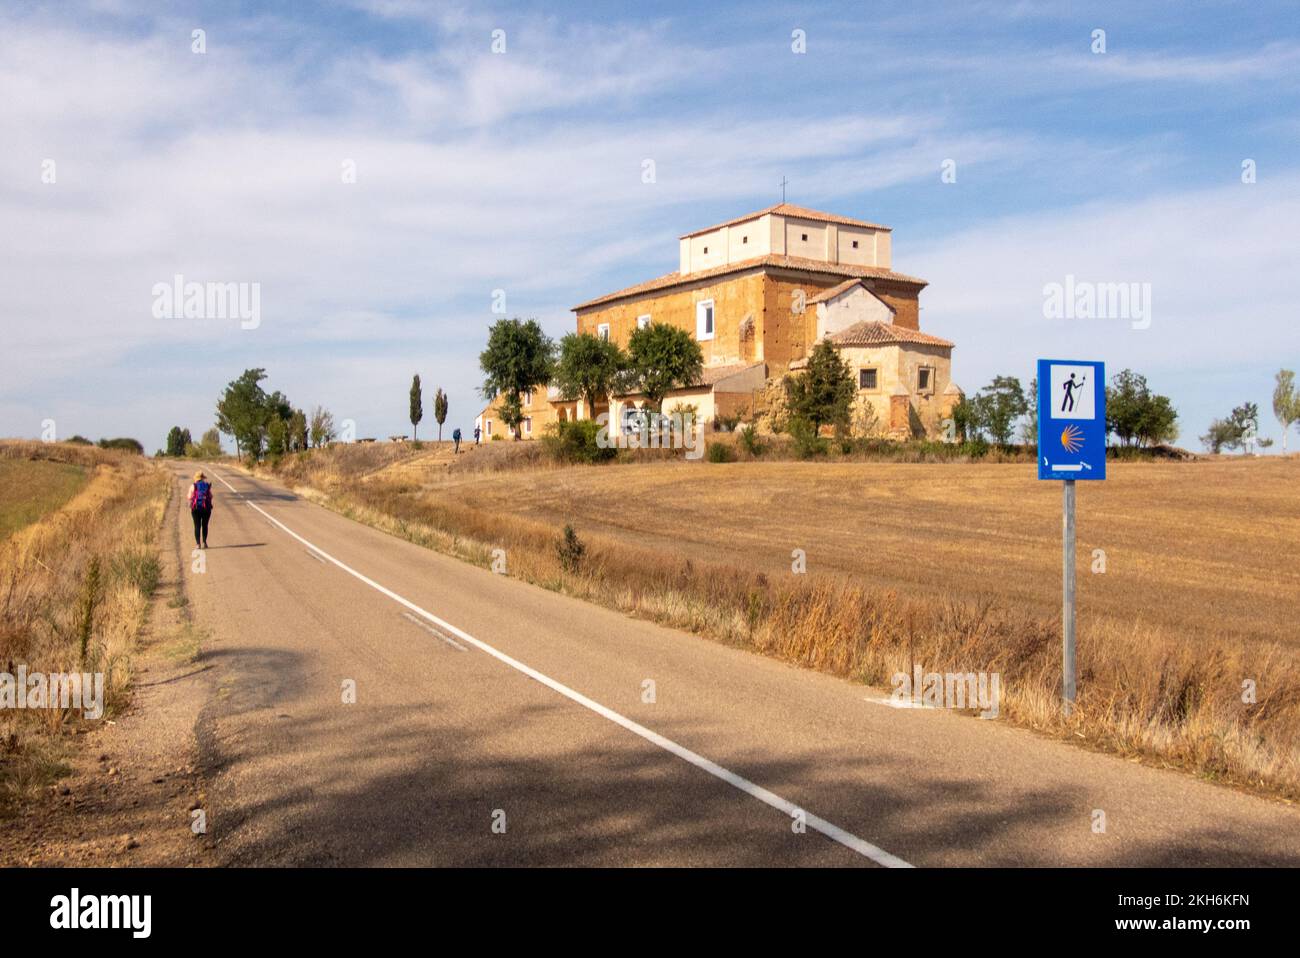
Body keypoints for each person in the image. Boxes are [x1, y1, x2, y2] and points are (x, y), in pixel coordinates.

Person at [188, 470, 214, 549]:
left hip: (196, 509)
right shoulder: (207, 485)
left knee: (197, 525)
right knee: (205, 525)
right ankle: (204, 542)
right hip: (206, 508)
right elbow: (211, 496)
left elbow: (189, 497)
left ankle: (198, 544)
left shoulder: (193, 486)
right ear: (203, 478)